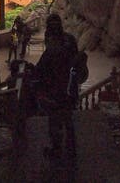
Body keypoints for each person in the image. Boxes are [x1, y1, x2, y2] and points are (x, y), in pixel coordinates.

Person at [35, 12, 78, 165]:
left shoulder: (53, 47)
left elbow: (42, 67)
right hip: (70, 88)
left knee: (54, 121)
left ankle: (57, 150)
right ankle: (71, 149)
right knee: (68, 119)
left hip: (56, 92)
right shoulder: (70, 40)